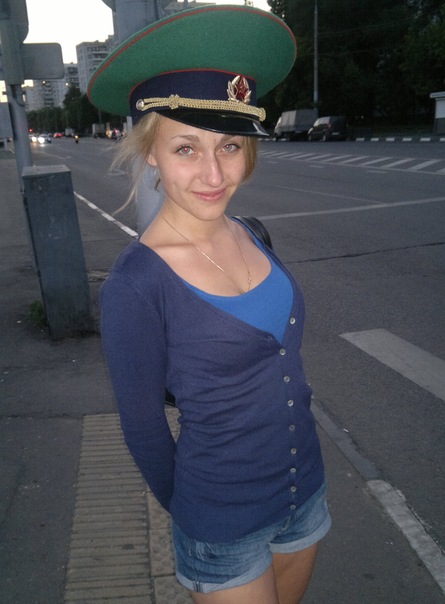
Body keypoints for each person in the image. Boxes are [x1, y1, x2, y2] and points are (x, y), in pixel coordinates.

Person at [88, 6, 331, 603]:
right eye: (186, 148)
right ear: (151, 152)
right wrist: (201, 518)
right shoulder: (135, 286)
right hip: (223, 523)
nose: (214, 173)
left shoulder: (251, 232)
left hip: (305, 494)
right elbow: (144, 428)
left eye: (229, 145)